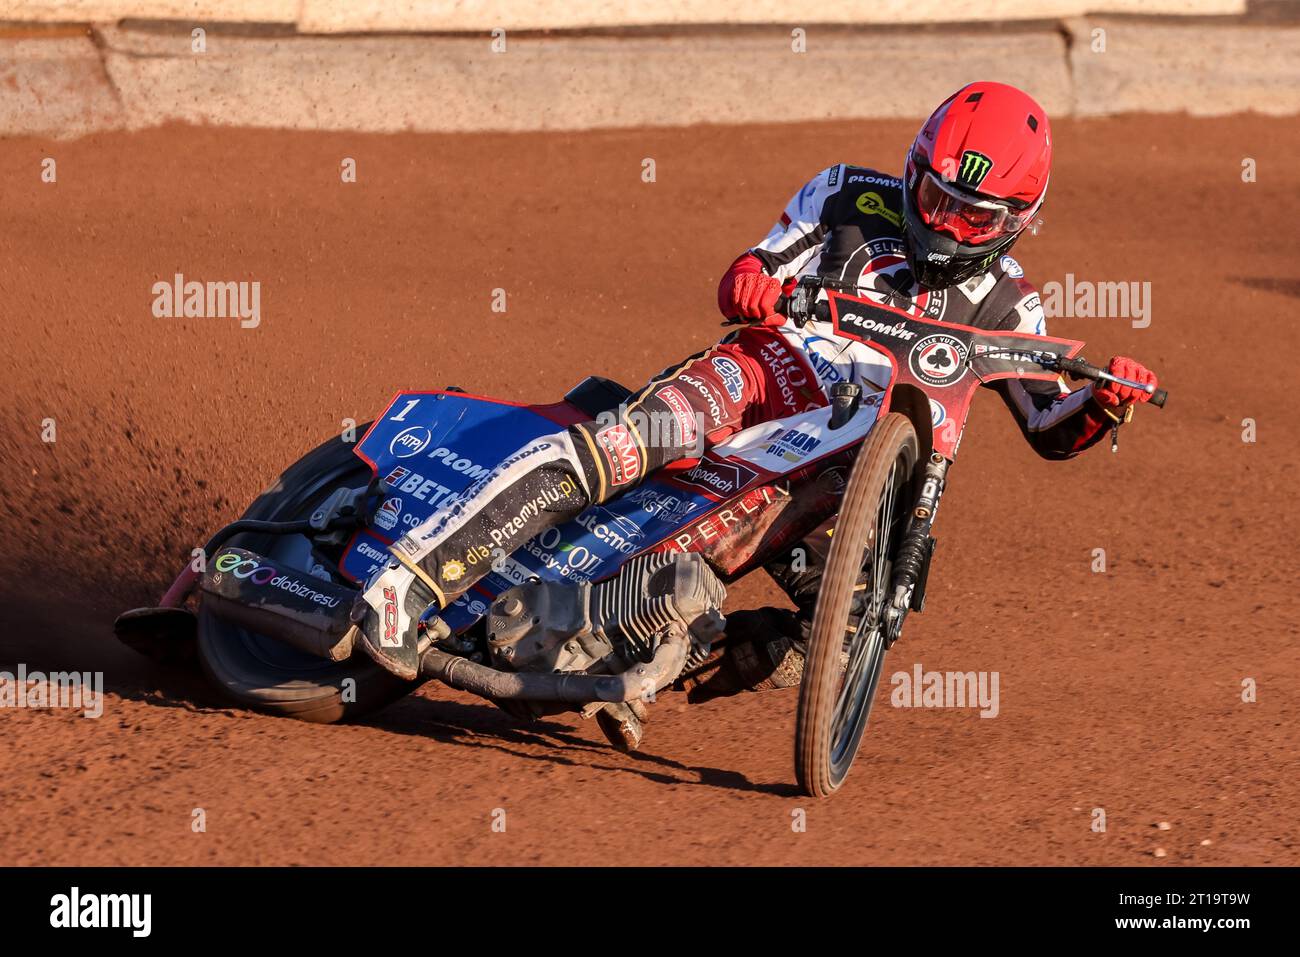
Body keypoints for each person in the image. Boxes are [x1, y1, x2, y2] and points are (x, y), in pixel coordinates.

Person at [350, 80, 1159, 691]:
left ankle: (663, 645)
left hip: (847, 468)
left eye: (972, 217)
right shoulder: (848, 192)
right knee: (628, 442)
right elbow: (751, 271)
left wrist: (1104, 400)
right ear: (913, 171)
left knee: (850, 625)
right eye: (936, 199)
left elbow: (1051, 420)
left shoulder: (1014, 301)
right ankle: (408, 581)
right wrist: (757, 290)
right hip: (769, 373)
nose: (946, 225)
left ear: (1017, 218)